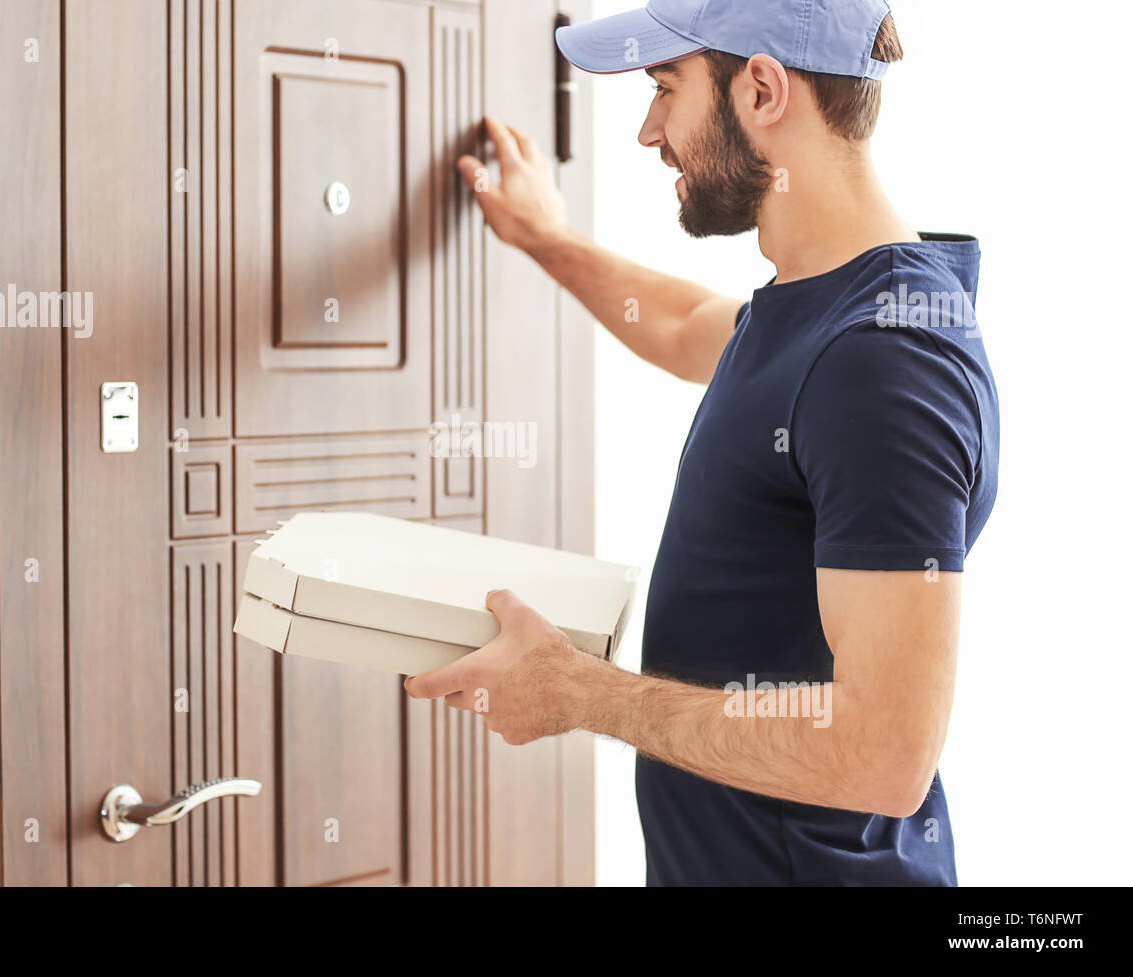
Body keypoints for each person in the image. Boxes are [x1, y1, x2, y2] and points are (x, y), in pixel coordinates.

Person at [405, 0, 999, 886]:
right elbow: (686, 325)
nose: (650, 132)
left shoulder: (883, 356)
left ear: (761, 88)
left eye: (664, 88)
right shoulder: (816, 306)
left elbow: (884, 756)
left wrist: (580, 693)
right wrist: (546, 237)